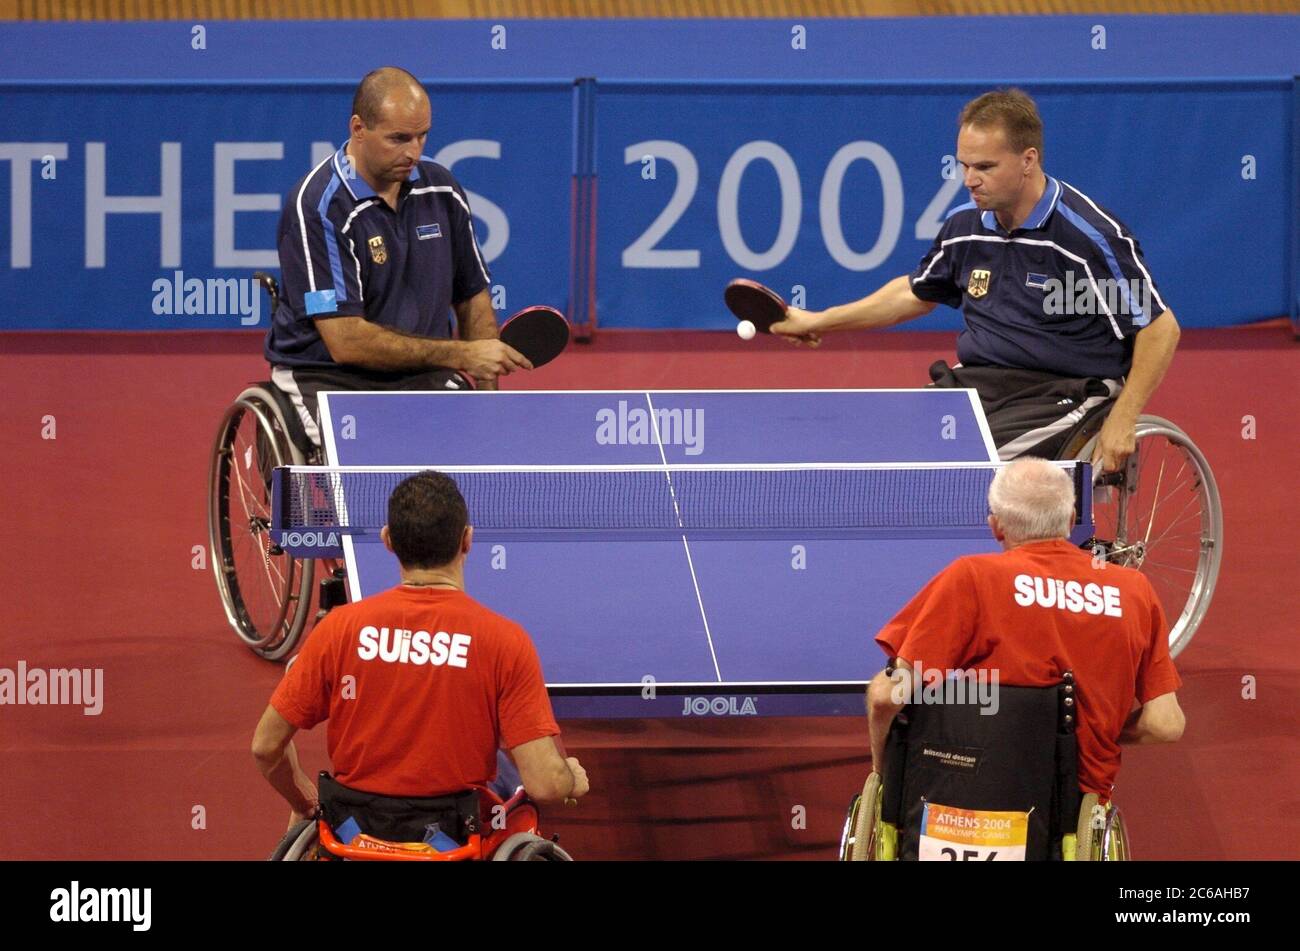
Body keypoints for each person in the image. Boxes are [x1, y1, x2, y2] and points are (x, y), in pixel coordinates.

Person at [770, 88, 1181, 473]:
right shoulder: (965, 228)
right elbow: (915, 293)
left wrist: (1124, 418)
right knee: (889, 449)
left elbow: (1160, 328)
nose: (969, 179)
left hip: (1064, 392)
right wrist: (818, 320)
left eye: (985, 167)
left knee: (967, 466)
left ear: (1028, 160)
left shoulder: (1085, 238)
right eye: (964, 165)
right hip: (980, 384)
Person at [251, 471, 588, 837]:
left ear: (388, 541)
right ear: (467, 540)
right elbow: (545, 785)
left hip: (354, 831)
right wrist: (569, 775)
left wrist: (304, 801)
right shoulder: (505, 642)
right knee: (508, 775)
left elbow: (266, 747)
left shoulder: (336, 629)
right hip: (452, 835)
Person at [864, 458, 1184, 801]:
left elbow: (886, 698)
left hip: (968, 790)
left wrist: (882, 777)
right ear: (1072, 518)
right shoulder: (1134, 590)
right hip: (1073, 799)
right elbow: (1165, 724)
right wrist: (1094, 729)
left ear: (996, 526)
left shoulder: (971, 577)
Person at [264, 66, 532, 447]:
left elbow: (471, 294)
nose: (414, 153)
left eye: (423, 136)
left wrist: (487, 396)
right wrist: (463, 354)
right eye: (399, 138)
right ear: (358, 129)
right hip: (328, 379)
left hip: (424, 375)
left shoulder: (442, 190)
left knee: (480, 457)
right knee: (376, 463)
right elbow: (346, 342)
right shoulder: (319, 206)